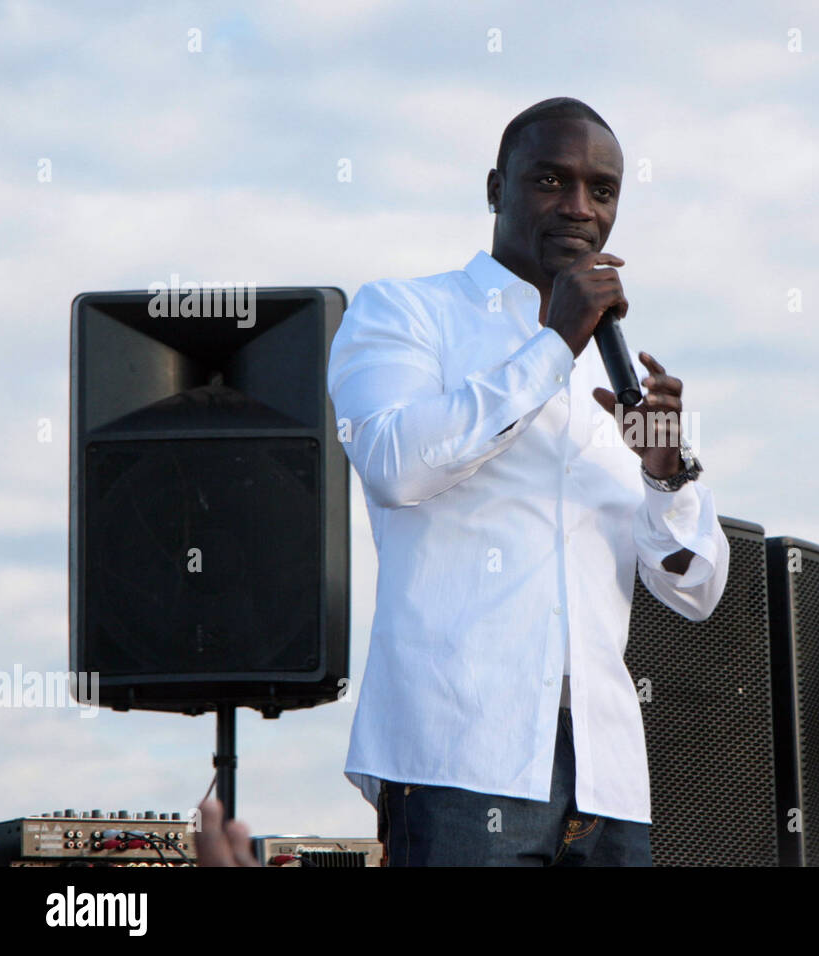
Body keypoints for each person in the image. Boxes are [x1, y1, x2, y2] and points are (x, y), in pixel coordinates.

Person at [325, 97, 730, 866]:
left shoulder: (620, 373)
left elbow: (695, 591)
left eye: (602, 190)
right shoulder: (407, 312)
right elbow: (394, 465)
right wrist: (551, 346)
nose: (579, 206)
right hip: (459, 751)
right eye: (551, 179)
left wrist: (666, 476)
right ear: (494, 188)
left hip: (606, 774)